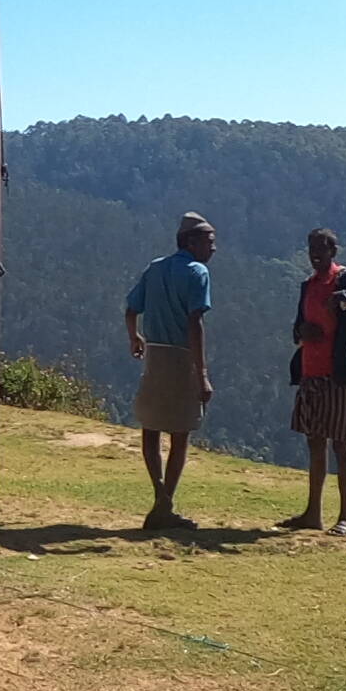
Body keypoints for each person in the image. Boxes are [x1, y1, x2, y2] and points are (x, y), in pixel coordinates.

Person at [279, 227, 346, 535]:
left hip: (339, 376)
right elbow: (297, 328)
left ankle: (345, 518)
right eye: (311, 249)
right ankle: (313, 513)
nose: (315, 255)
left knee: (341, 444)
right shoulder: (308, 286)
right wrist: (302, 333)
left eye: (321, 249)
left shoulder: (344, 280)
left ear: (333, 252)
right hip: (311, 373)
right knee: (315, 442)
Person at [124, 213, 215, 530]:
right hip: (182, 357)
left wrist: (134, 336)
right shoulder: (197, 272)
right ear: (191, 242)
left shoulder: (155, 268)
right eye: (209, 242)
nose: (213, 248)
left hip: (155, 355)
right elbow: (195, 323)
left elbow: (131, 308)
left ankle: (160, 494)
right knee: (181, 431)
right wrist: (202, 373)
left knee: (151, 427)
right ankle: (166, 503)